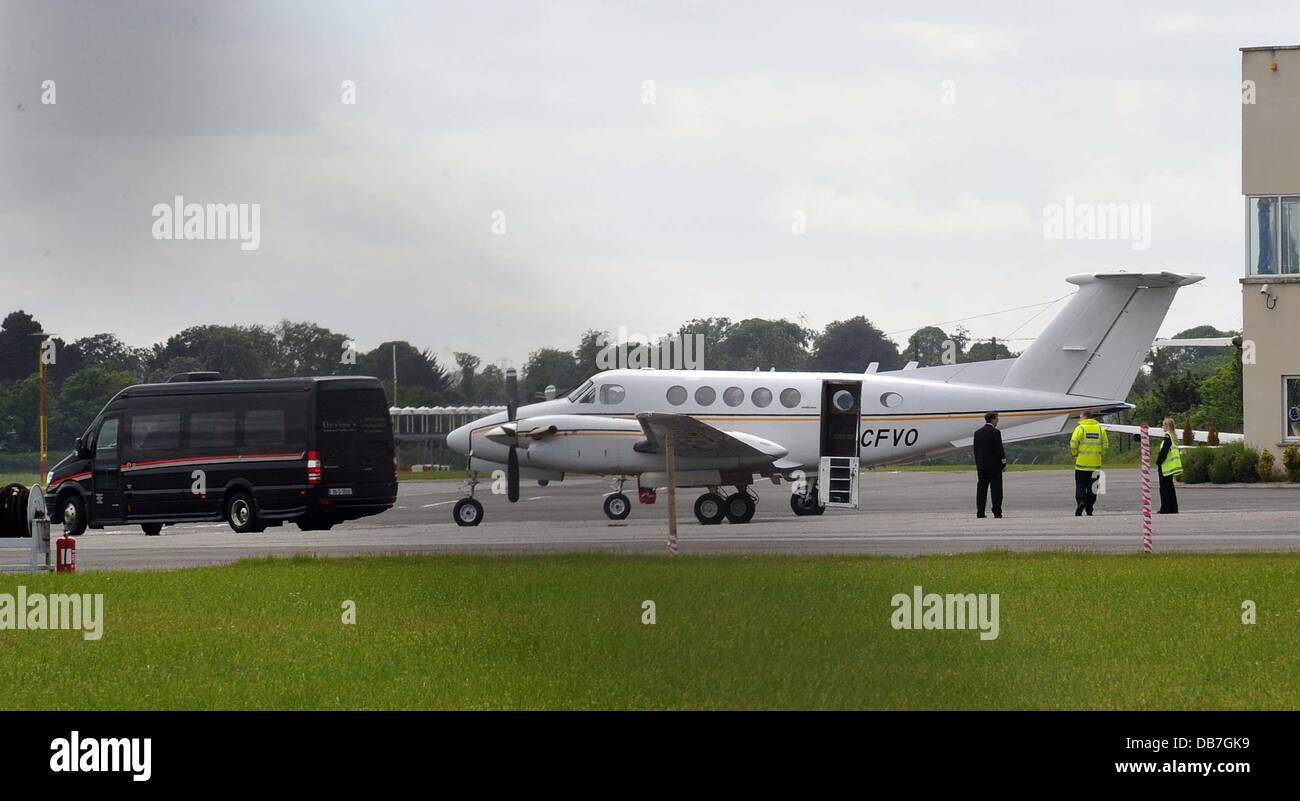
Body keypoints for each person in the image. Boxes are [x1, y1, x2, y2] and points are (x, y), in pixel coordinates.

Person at [1069, 411, 1108, 516]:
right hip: (1095, 465)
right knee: (1093, 488)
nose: (1079, 420)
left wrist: (1075, 454)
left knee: (1080, 485)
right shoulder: (1100, 429)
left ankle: (1081, 502)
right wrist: (1100, 455)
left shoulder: (1080, 429)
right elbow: (1105, 445)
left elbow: (1073, 443)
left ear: (1085, 418)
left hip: (1081, 465)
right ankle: (1089, 509)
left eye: (1080, 417)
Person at [972, 411, 1006, 518]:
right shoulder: (996, 432)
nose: (998, 421)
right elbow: (999, 450)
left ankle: (980, 512)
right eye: (997, 418)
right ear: (993, 419)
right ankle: (997, 511)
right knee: (996, 489)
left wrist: (978, 464)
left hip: (982, 466)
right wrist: (1003, 463)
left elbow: (976, 450)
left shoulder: (977, 433)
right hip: (994, 466)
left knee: (981, 489)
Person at [1156, 417, 1182, 514]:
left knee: (1164, 488)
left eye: (1163, 425)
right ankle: (1173, 508)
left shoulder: (1167, 436)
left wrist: (1158, 461)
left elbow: (1164, 451)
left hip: (1165, 466)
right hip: (1171, 467)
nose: (1162, 427)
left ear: (1167, 426)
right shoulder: (1173, 436)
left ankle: (1165, 508)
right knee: (1170, 487)